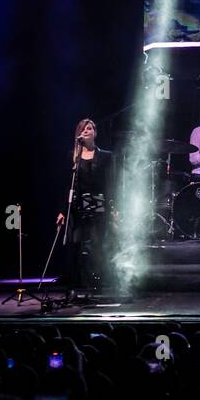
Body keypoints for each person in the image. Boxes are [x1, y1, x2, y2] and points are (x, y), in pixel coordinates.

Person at [56, 118, 115, 298]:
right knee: (74, 242)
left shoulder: (105, 156)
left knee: (95, 243)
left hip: (96, 199)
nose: (87, 131)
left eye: (90, 128)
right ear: (79, 133)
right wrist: (62, 211)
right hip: (76, 202)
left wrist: (112, 206)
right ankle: (73, 284)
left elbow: (111, 183)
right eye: (84, 129)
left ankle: (95, 283)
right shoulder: (72, 156)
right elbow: (67, 185)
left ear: (95, 133)